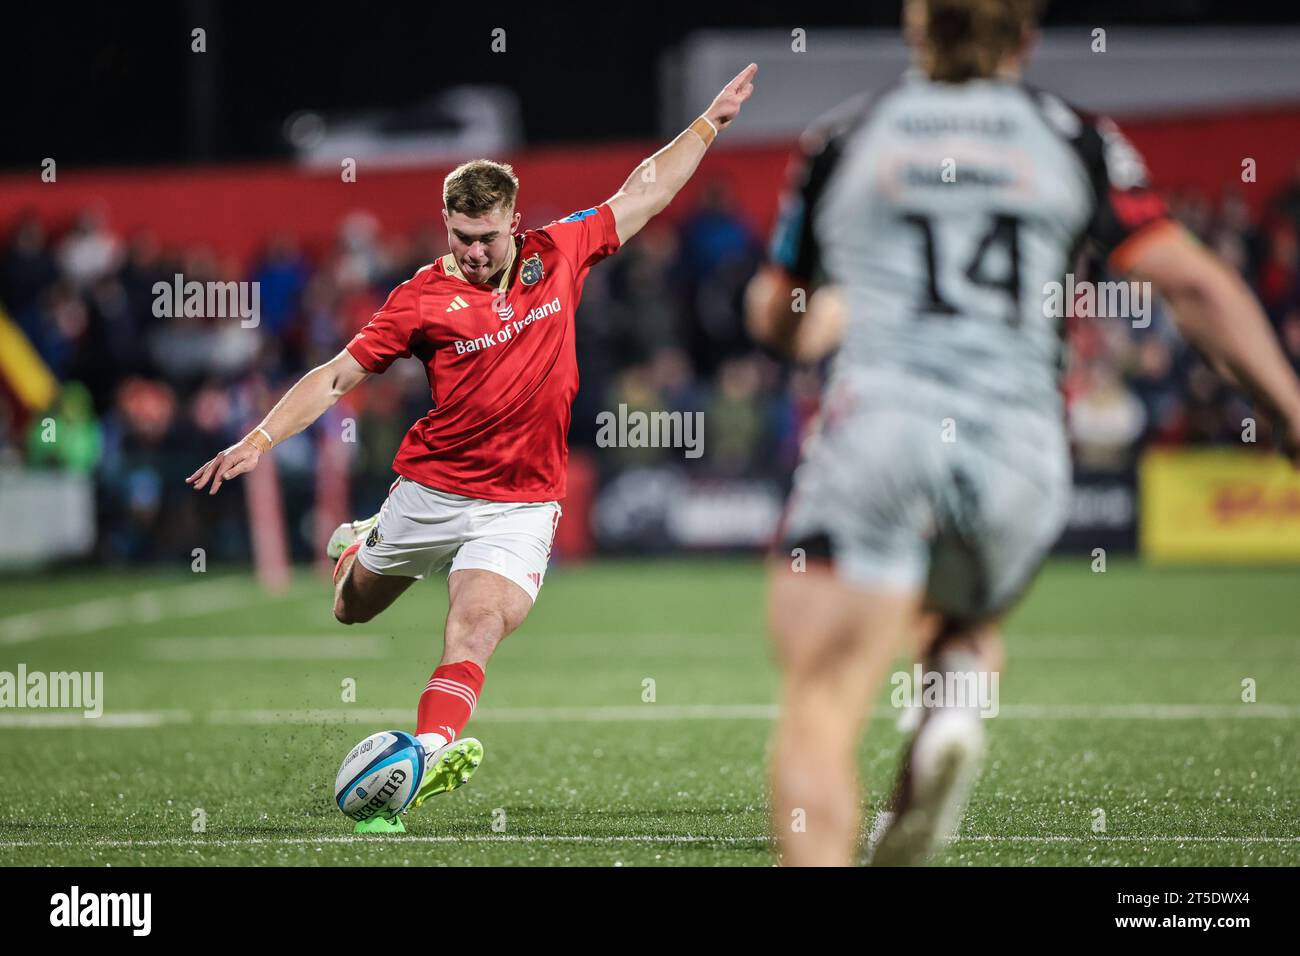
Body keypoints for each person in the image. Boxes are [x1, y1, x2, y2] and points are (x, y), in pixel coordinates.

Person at [746, 0, 1300, 866]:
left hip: (881, 429)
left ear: (914, 28)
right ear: (1027, 37)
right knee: (961, 615)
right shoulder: (1075, 139)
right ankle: (956, 695)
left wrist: (819, 321)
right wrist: (1290, 413)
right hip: (1022, 443)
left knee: (821, 701)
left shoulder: (846, 138)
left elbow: (778, 316)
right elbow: (1198, 287)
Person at [187, 64, 758, 831]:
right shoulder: (420, 299)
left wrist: (708, 123)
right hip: (432, 491)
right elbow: (333, 379)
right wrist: (260, 438)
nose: (475, 252)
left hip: (521, 504)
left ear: (514, 221)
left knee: (477, 624)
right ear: (446, 224)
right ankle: (361, 546)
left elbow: (645, 190)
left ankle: (423, 756)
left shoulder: (557, 253)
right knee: (351, 611)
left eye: (487, 237)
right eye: (461, 237)